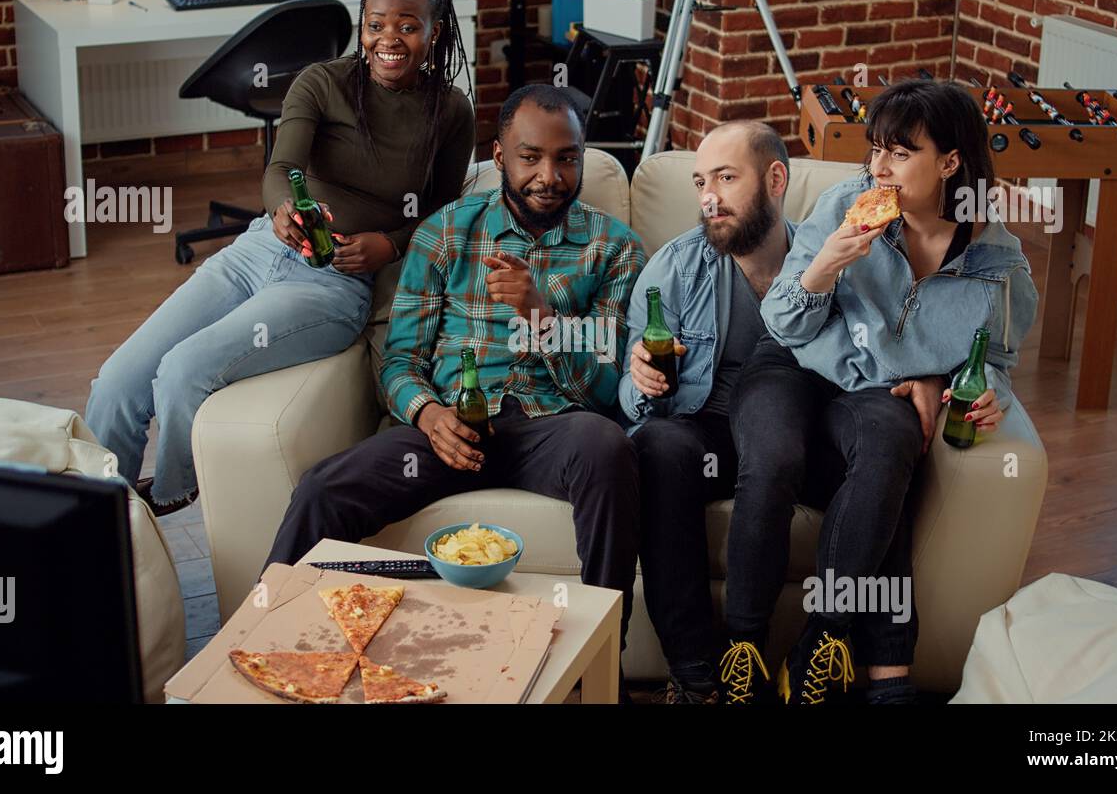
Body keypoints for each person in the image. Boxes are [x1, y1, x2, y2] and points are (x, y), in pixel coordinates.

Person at [263, 85, 647, 667]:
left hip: (552, 431)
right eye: (531, 157)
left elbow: (608, 387)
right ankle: (273, 646)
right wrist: (427, 413)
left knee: (607, 445)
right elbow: (399, 361)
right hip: (446, 431)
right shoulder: (446, 231)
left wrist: (542, 317)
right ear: (498, 156)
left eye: (566, 158)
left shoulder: (612, 247)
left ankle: (597, 665)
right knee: (322, 489)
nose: (550, 175)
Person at [85, 0, 474, 515]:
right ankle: (97, 524)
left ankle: (167, 495)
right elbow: (280, 169)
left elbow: (444, 214)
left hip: (333, 285)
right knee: (116, 383)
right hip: (259, 251)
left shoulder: (449, 110)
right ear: (362, 27)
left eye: (408, 27)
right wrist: (281, 210)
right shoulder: (322, 82)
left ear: (433, 32)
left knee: (181, 373)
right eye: (376, 25)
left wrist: (389, 243)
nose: (389, 40)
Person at [722, 79, 1039, 704]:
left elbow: (995, 357)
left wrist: (976, 388)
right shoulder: (848, 205)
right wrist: (823, 266)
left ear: (950, 163)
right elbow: (783, 323)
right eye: (876, 150)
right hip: (790, 362)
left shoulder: (999, 266)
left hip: (876, 391)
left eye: (899, 153)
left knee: (893, 444)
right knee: (774, 459)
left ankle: (820, 642)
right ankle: (744, 647)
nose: (879, 169)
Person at [619, 121, 797, 704]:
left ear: (775, 180)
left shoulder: (820, 261)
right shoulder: (676, 267)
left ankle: (817, 658)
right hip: (709, 434)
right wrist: (639, 378)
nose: (708, 197)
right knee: (658, 446)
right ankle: (694, 670)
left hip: (790, 433)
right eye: (700, 182)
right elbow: (631, 391)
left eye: (725, 177)